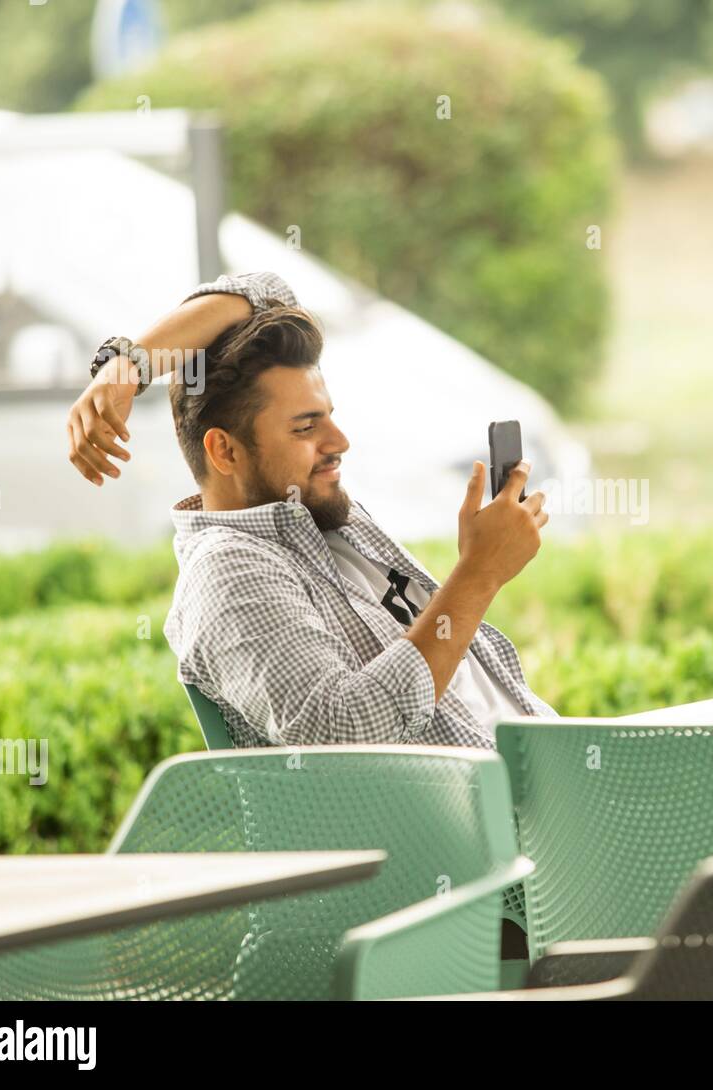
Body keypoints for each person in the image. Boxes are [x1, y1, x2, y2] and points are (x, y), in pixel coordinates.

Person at [66, 272, 554, 748]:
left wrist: (127, 366)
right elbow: (339, 732)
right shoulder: (229, 570)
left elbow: (265, 291)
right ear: (225, 452)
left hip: (550, 772)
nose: (339, 442)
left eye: (330, 418)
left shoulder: (319, 517)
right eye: (305, 428)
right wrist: (478, 574)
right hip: (510, 815)